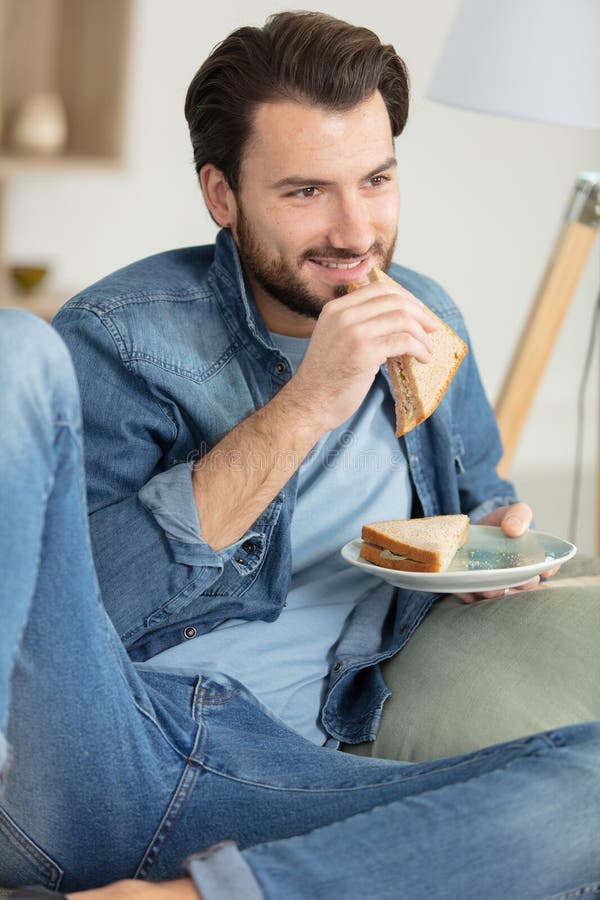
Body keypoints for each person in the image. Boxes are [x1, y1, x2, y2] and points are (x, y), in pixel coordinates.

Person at [1, 11, 599, 900]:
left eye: (377, 180)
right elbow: (74, 618)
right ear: (221, 195)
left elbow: (480, 503)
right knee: (15, 348)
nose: (356, 232)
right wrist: (308, 404)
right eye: (306, 192)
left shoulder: (426, 320)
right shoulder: (128, 336)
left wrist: (493, 544)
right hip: (101, 745)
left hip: (279, 778)